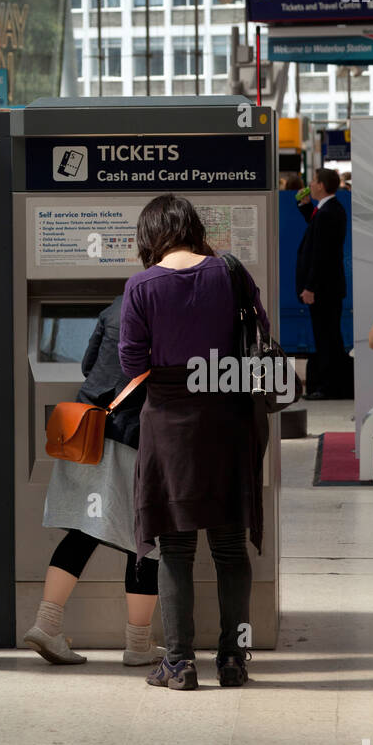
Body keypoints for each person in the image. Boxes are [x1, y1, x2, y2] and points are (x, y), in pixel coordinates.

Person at [118, 195, 270, 692]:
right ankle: (233, 660)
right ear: (193, 226)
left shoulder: (141, 286)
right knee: (229, 547)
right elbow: (260, 334)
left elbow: (130, 362)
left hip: (169, 429)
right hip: (227, 420)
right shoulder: (230, 272)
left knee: (176, 547)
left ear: (150, 234)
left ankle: (180, 663)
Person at [23, 295, 162, 668]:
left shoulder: (117, 304)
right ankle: (138, 644)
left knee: (83, 532)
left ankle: (46, 623)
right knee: (145, 541)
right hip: (132, 435)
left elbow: (88, 365)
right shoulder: (168, 307)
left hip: (87, 430)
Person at [295, 168, 353, 400]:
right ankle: (331, 384)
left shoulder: (329, 213)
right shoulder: (327, 209)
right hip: (328, 288)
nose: (310, 183)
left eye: (313, 180)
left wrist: (311, 287)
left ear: (320, 185)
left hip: (324, 290)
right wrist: (305, 206)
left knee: (327, 337)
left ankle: (329, 387)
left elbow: (322, 255)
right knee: (327, 335)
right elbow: (315, 227)